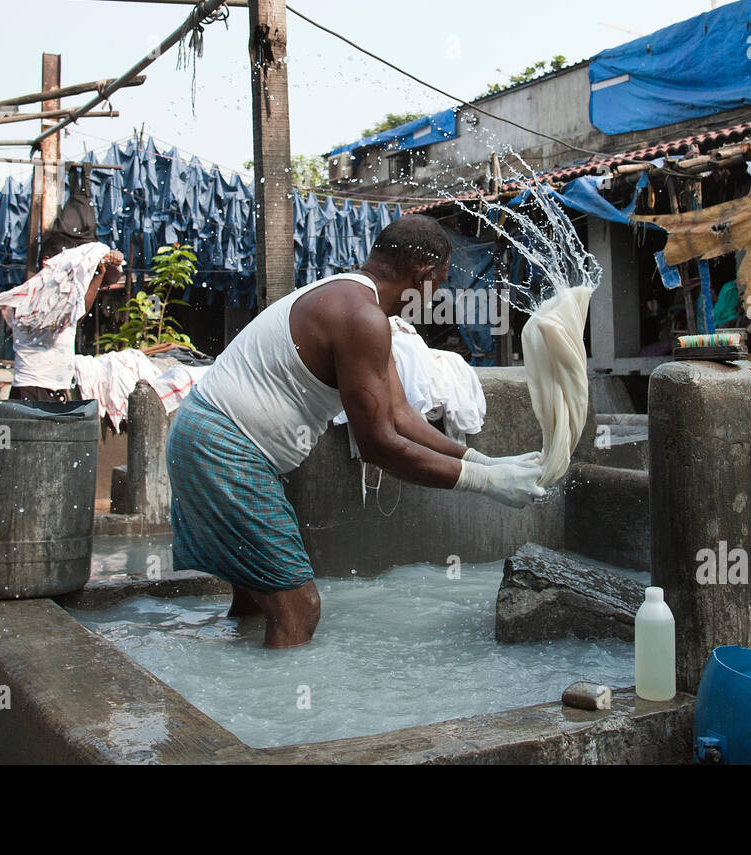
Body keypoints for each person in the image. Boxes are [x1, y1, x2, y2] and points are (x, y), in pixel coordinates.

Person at [167, 215, 545, 648]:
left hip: (203, 437)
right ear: (420, 276)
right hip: (223, 449)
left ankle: (227, 692)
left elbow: (402, 416)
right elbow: (379, 444)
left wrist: (484, 462)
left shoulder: (359, 305)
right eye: (438, 283)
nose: (436, 295)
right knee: (298, 607)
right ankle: (277, 710)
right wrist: (485, 484)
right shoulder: (360, 317)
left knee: (258, 602)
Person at [0, 239, 124, 402]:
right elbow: (77, 315)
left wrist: (106, 265)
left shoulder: (58, 296)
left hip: (54, 387)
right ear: (47, 262)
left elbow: (81, 307)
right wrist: (98, 274)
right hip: (33, 388)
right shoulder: (34, 297)